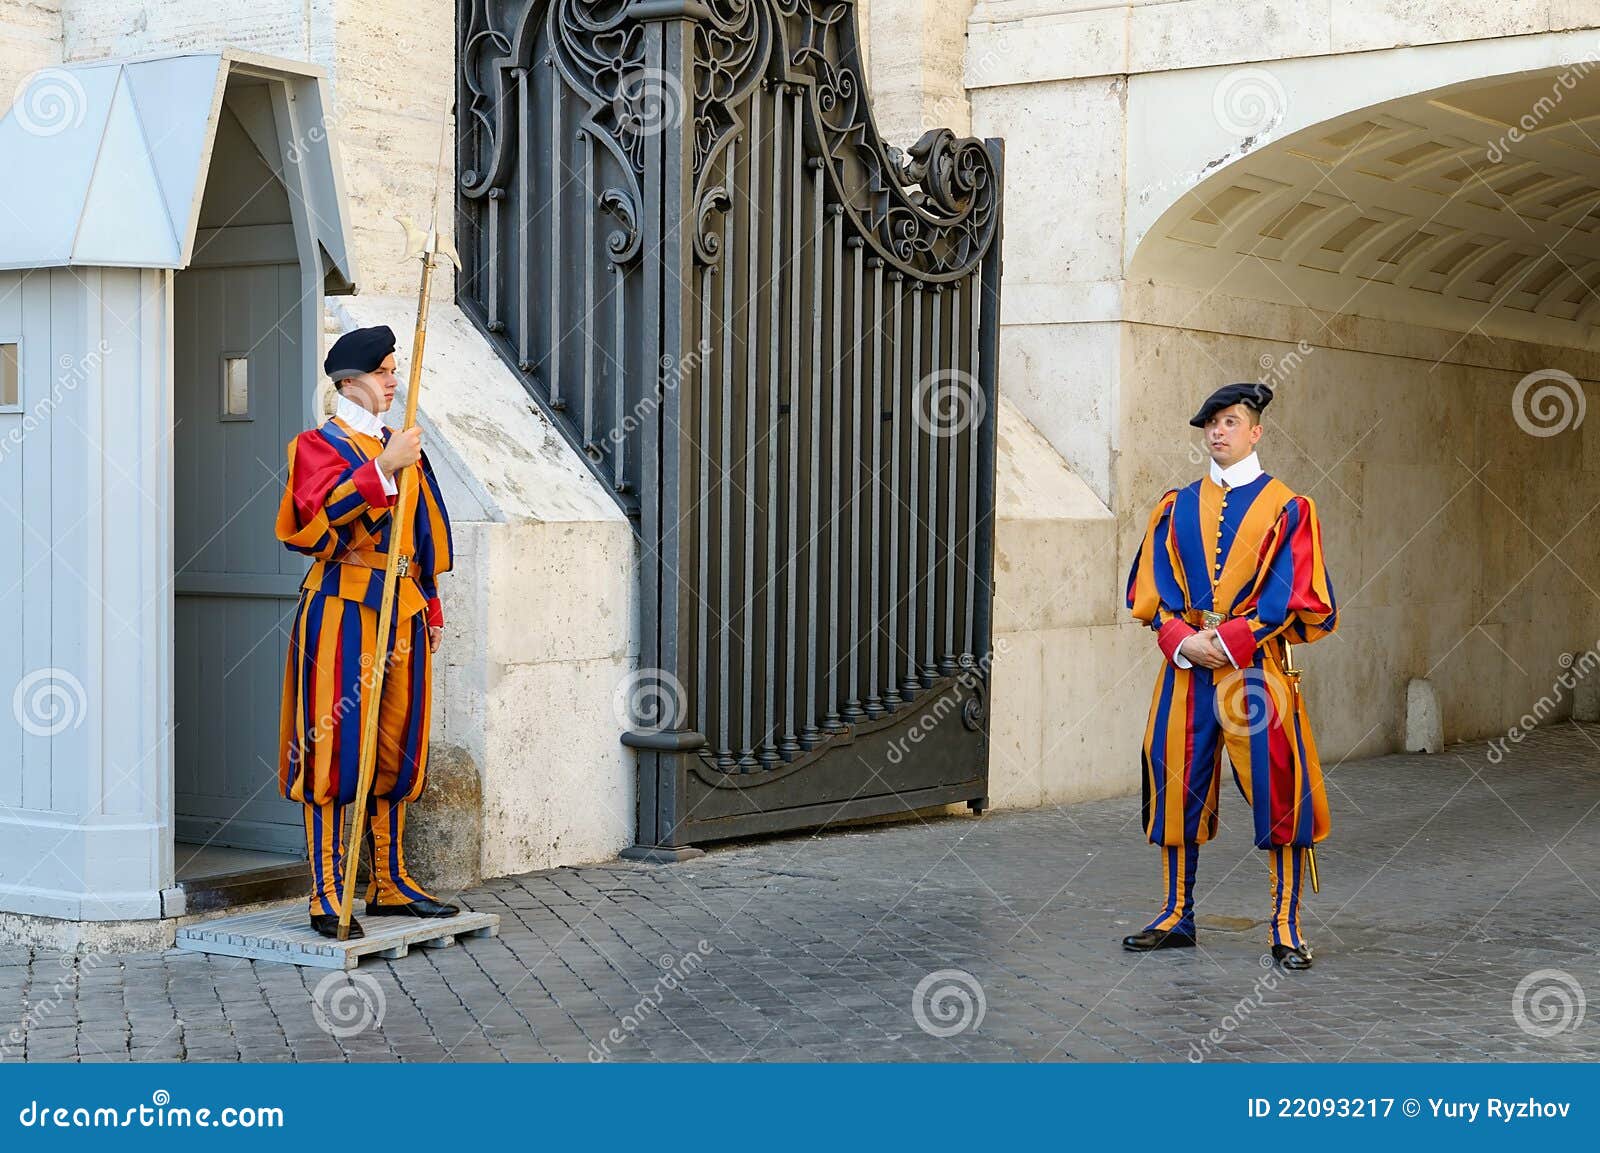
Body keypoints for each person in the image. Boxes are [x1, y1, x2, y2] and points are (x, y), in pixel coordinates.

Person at [1122, 382, 1337, 969]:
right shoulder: (1174, 504)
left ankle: (1286, 924)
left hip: (1255, 672)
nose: (1218, 431)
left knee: (1279, 787)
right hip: (1185, 668)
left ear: (1256, 431)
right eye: (1212, 423)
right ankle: (1175, 914)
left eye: (1231, 421)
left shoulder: (1289, 507)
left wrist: (1229, 640)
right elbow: (1153, 590)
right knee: (1173, 780)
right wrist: (1182, 640)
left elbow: (1293, 594)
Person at [275, 324, 457, 939]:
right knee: (333, 745)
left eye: (392, 368)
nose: (392, 379)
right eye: (382, 371)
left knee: (397, 744)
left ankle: (388, 880)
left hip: (401, 605)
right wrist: (382, 467)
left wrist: (429, 603)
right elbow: (317, 526)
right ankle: (327, 893)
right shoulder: (317, 446)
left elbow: (420, 535)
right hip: (341, 609)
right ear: (349, 380)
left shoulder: (399, 445)